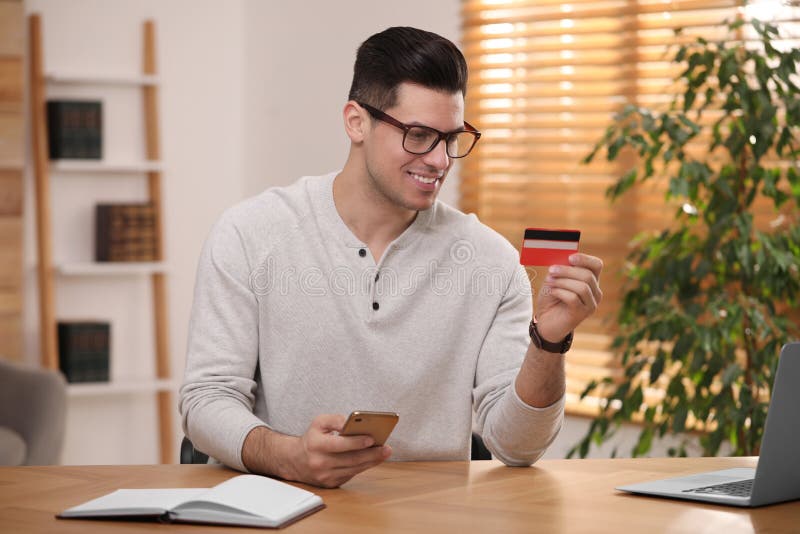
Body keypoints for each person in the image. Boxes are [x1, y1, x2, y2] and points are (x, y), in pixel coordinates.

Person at [179, 26, 602, 489]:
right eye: (419, 135)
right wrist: (288, 457)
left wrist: (548, 343)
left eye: (451, 138)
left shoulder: (491, 263)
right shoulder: (249, 234)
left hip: (432, 516)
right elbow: (206, 400)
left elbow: (518, 447)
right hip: (287, 507)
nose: (440, 160)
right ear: (356, 122)